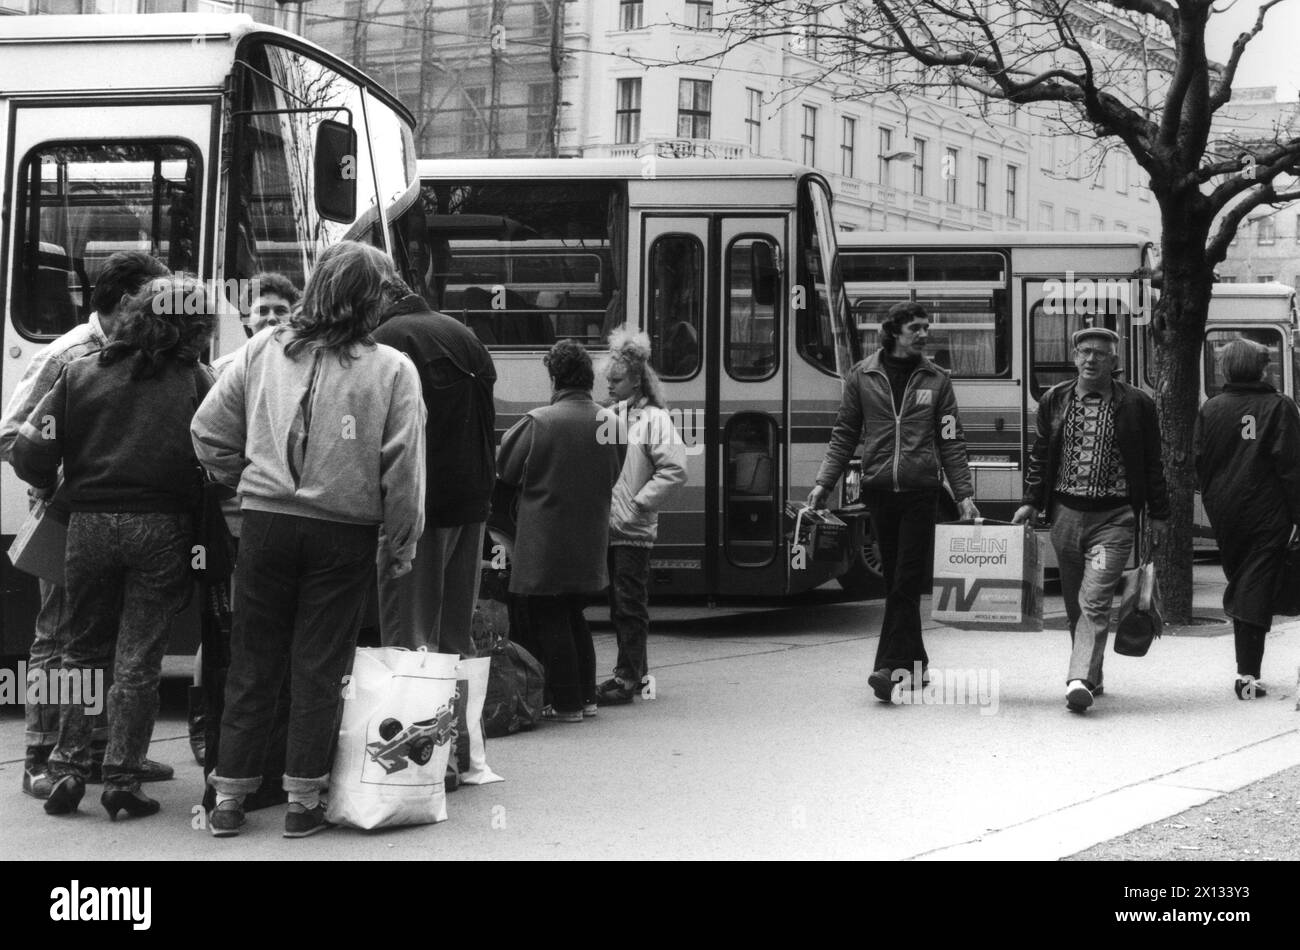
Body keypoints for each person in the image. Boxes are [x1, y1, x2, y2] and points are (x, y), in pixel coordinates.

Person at [191, 241, 426, 838]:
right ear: (368, 299)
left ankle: (229, 799)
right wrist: (400, 545)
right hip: (344, 534)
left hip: (265, 527)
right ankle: (302, 801)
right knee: (319, 667)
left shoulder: (263, 349)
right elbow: (403, 471)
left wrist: (242, 480)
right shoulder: (392, 369)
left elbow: (207, 431)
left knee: (251, 661)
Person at [11, 276, 216, 819]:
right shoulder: (196, 380)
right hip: (163, 531)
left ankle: (68, 767)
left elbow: (29, 451)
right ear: (192, 327)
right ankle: (122, 778)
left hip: (89, 528)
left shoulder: (79, 374)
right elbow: (220, 454)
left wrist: (62, 476)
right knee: (139, 658)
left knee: (82, 651)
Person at [0, 250, 173, 800]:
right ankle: (40, 754)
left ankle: (95, 754)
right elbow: (12, 435)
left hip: (99, 519)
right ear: (128, 303)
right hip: (65, 516)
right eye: (157, 302)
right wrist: (62, 485)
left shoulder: (133, 352)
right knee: (57, 634)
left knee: (95, 640)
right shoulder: (71, 353)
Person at [808, 301, 979, 703]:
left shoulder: (937, 379)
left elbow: (951, 440)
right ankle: (915, 664)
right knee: (895, 584)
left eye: (926, 328)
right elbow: (845, 433)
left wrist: (965, 494)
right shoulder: (863, 376)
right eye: (916, 328)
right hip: (879, 491)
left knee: (904, 580)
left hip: (922, 493)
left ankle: (886, 669)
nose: (924, 334)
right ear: (894, 331)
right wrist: (823, 483)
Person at [1013, 326, 1170, 712]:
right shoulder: (1054, 400)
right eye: (1084, 351)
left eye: (1100, 353)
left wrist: (1160, 513)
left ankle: (1078, 679)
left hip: (1114, 520)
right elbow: (1040, 455)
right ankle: (1093, 675)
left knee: (1095, 599)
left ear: (1114, 362)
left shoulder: (1137, 404)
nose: (1090, 358)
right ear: (1074, 356)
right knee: (1073, 605)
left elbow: (1153, 463)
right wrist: (1031, 500)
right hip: (1065, 516)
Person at [497, 340, 621, 722]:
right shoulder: (611, 422)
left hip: (545, 539)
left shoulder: (540, 422)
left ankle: (567, 703)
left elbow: (507, 468)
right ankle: (587, 698)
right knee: (574, 615)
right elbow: (614, 473)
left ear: (555, 378)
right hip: (590, 536)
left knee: (550, 616)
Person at [373, 276, 497, 656]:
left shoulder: (388, 338)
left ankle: (412, 714)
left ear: (381, 296)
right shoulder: (461, 332)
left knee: (409, 636)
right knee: (455, 636)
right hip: (472, 498)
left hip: (421, 504)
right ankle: (457, 712)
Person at [1194, 339, 1300, 700]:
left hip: (1225, 511)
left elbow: (1200, 464)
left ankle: (1247, 669)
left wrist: (1214, 500)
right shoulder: (1279, 406)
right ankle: (1247, 675)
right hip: (1269, 511)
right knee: (1253, 587)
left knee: (1243, 581)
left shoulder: (1212, 409)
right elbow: (1290, 465)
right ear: (1258, 369)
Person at [595, 328, 687, 705]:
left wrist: (637, 504)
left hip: (630, 527)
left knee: (628, 603)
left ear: (636, 378)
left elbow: (675, 469)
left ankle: (628, 676)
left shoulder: (653, 419)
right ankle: (632, 673)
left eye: (617, 380)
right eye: (609, 381)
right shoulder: (616, 415)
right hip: (615, 525)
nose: (610, 386)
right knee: (624, 603)